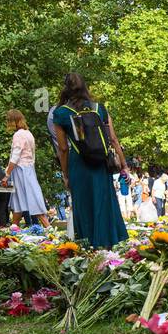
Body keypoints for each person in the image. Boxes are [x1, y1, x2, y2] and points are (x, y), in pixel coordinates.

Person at [51, 72, 128, 249]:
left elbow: (62, 148)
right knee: (103, 201)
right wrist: (123, 165)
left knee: (83, 205)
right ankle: (108, 245)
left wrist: (65, 174)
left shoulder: (61, 113)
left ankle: (87, 246)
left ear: (65, 89)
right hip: (101, 163)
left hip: (79, 164)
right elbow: (113, 139)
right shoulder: (98, 108)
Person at [1, 111, 50, 228]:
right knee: (18, 198)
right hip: (28, 168)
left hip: (20, 169)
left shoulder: (18, 135)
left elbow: (15, 156)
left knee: (30, 196)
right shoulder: (29, 134)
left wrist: (7, 174)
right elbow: (32, 155)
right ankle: (14, 227)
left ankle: (48, 227)